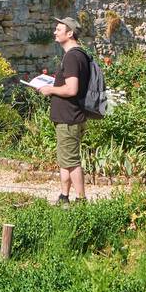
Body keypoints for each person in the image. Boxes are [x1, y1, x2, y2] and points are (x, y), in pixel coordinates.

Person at [36, 17, 91, 204]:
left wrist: (49, 89)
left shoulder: (72, 57)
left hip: (69, 118)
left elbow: (72, 89)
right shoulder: (79, 55)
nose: (54, 32)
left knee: (72, 161)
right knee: (65, 160)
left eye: (58, 29)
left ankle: (81, 200)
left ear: (70, 33)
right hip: (70, 117)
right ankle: (64, 196)